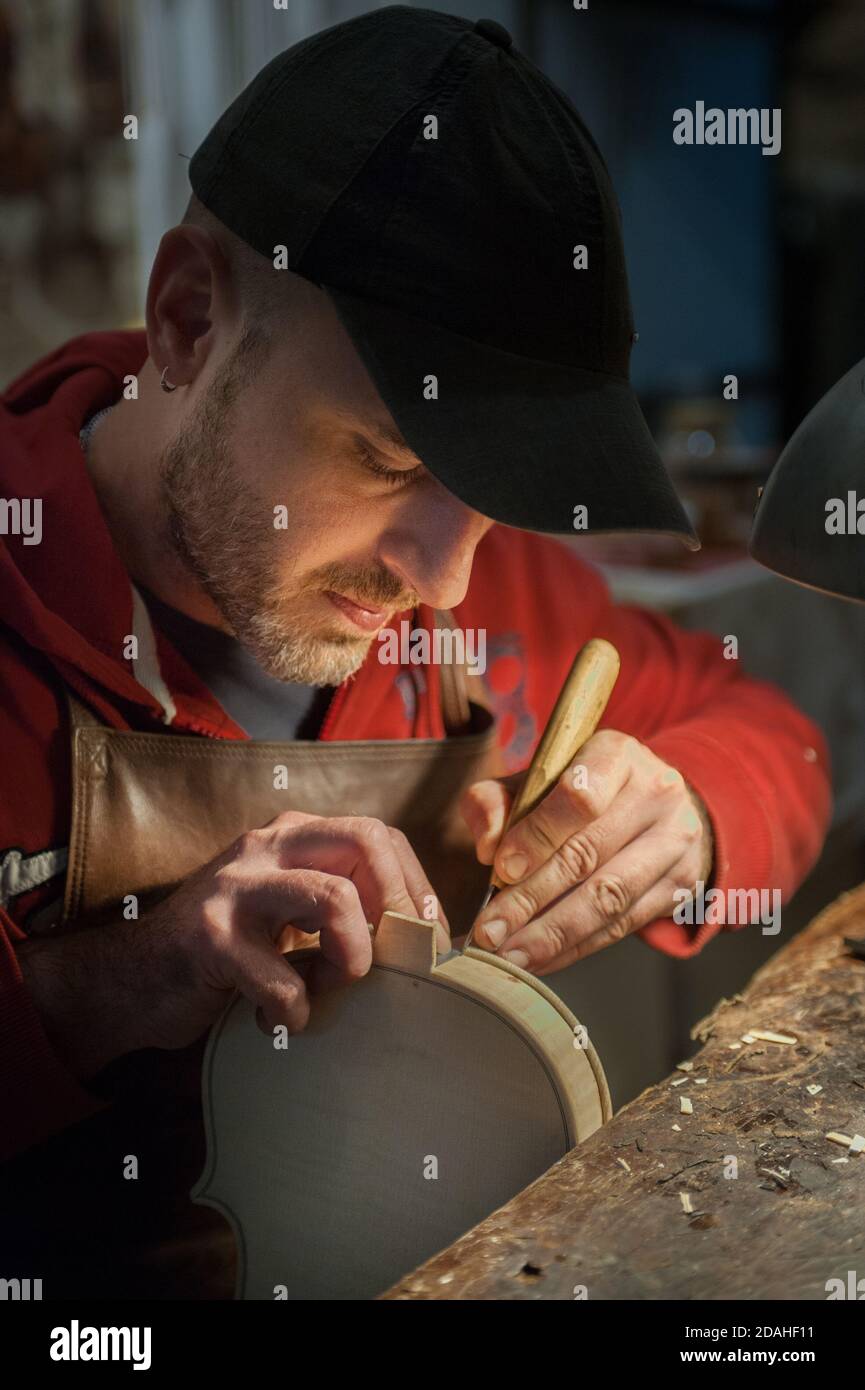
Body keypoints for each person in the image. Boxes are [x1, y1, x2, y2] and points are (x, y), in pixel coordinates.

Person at [0, 5, 829, 1297]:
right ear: (184, 320)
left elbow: (770, 732)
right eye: (387, 461)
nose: (438, 576)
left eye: (489, 493)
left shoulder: (477, 591)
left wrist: (692, 811)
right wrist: (122, 975)